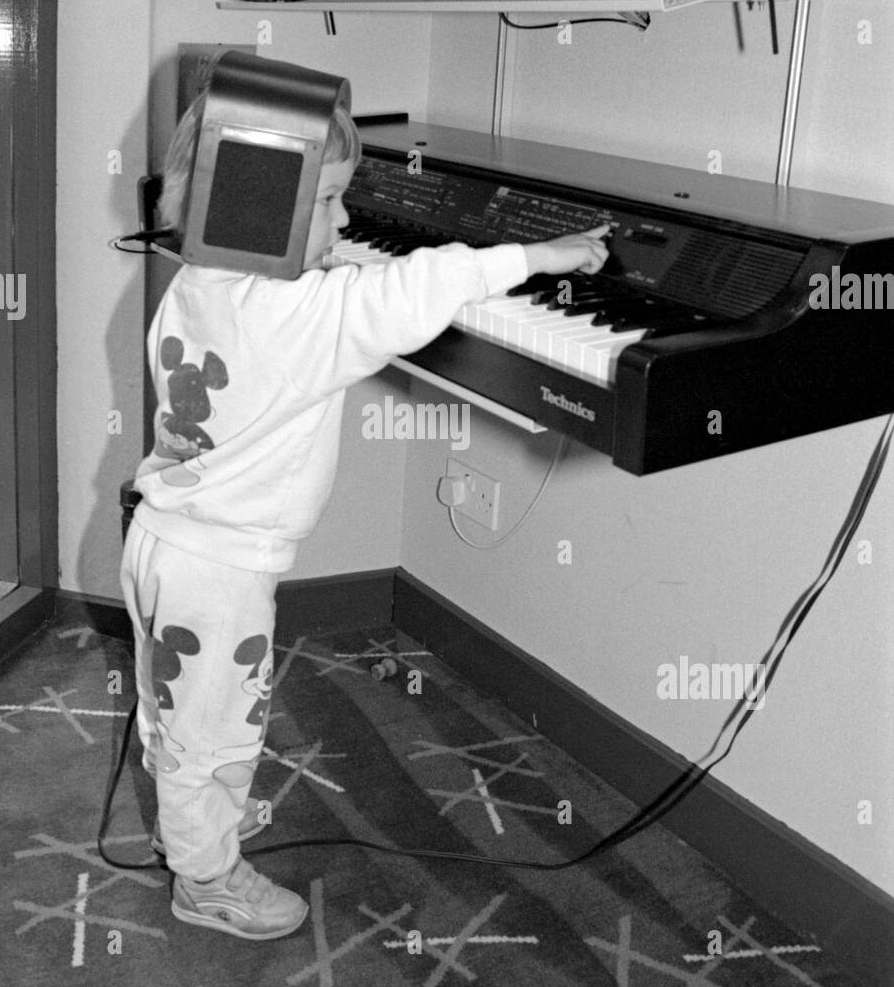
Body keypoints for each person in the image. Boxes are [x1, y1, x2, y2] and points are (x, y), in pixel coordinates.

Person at [120, 84, 609, 942]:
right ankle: (205, 876)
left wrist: (331, 263)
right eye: (327, 203)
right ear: (257, 207)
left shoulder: (203, 280)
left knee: (174, 707)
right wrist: (537, 258)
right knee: (220, 727)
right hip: (223, 577)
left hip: (163, 542)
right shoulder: (301, 318)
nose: (343, 226)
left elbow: (323, 296)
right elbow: (414, 290)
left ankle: (190, 820)